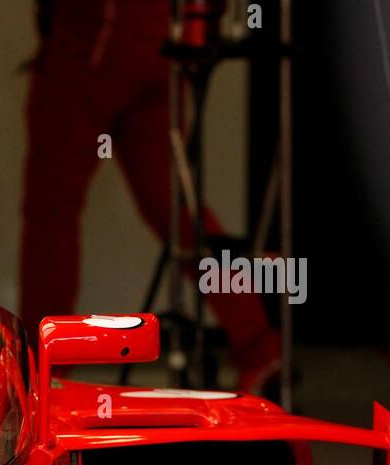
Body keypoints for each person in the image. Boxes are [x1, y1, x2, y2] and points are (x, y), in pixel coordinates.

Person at [19, 0, 279, 392]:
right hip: (155, 36)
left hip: (93, 36)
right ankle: (258, 345)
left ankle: (42, 371)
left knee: (51, 212)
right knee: (175, 209)